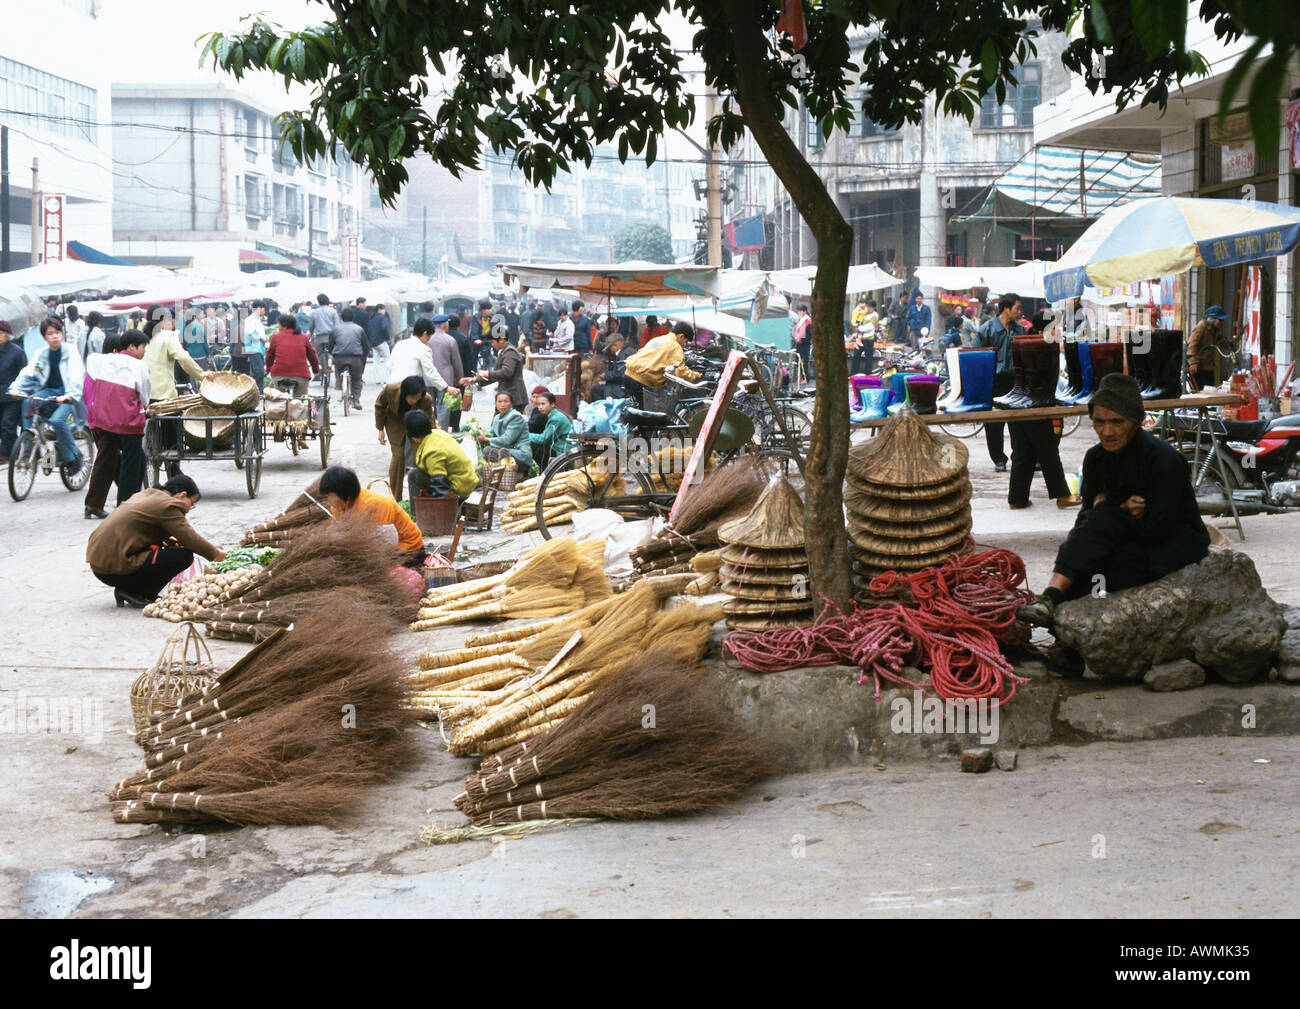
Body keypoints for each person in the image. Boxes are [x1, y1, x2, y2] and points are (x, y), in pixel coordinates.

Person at [1019, 373, 1210, 630]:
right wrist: (1121, 510)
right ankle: (1053, 608)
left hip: (1169, 545)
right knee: (1084, 559)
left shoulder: (1164, 461)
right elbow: (1086, 520)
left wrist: (1108, 509)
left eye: (1117, 422)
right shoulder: (1095, 459)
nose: (1107, 432)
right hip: (1118, 536)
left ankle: (1052, 600)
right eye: (1099, 422)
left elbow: (1155, 529)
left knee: (1091, 576)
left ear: (1135, 422)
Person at [86, 473, 225, 608]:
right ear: (182, 495)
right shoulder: (169, 505)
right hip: (112, 567)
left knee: (168, 551)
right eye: (192, 503)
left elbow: (140, 529)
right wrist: (216, 555)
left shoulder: (148, 494)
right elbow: (190, 538)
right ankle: (137, 592)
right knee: (183, 556)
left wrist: (163, 541)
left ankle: (129, 589)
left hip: (100, 564)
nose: (189, 509)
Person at [1007, 310, 1080, 512]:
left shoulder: (1024, 343)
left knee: (1023, 451)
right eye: (1055, 327)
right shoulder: (1040, 348)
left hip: (1018, 403)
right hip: (1035, 405)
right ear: (1042, 330)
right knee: (1047, 449)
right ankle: (1063, 495)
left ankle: (1017, 497)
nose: (1059, 331)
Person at [82, 328, 151, 517]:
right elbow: (145, 397)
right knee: (132, 460)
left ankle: (93, 504)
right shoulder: (140, 367)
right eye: (143, 347)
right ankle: (125, 507)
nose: (144, 351)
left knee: (104, 459)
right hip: (128, 423)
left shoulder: (103, 360)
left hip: (104, 421)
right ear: (132, 347)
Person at [7, 316, 87, 474]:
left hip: (68, 393)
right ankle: (28, 446)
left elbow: (76, 375)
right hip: (49, 391)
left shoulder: (70, 351)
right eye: (50, 334)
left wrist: (69, 395)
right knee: (27, 402)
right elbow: (30, 372)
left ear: (62, 334)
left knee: (57, 421)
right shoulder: (41, 354)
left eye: (57, 332)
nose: (55, 336)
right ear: (44, 337)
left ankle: (74, 457)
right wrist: (16, 388)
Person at [319, 463, 425, 559]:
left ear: (343, 493)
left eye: (329, 495)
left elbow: (385, 544)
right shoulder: (337, 508)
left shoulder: (377, 504)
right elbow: (338, 534)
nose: (328, 500)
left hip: (408, 550)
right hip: (374, 550)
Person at [973, 292, 1022, 472]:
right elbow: (976, 357)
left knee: (1017, 422)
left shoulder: (1019, 330)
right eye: (1017, 308)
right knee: (993, 424)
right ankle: (998, 458)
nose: (1019, 312)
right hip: (994, 382)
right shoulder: (986, 330)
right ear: (1006, 309)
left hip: (1014, 381)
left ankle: (1018, 455)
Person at [374, 374, 433, 501]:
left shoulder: (426, 399)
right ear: (404, 392)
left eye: (417, 398)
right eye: (412, 398)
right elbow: (379, 406)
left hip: (416, 425)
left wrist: (436, 436)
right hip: (395, 423)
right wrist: (380, 429)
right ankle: (396, 498)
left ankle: (421, 497)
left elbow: (430, 420)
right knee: (398, 457)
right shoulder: (391, 389)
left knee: (420, 457)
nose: (414, 401)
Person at [623, 321, 703, 406]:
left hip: (628, 374)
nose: (684, 345)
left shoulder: (658, 339)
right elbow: (679, 371)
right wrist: (697, 375)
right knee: (649, 415)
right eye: (685, 341)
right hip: (640, 381)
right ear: (681, 336)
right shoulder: (675, 347)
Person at [142, 305, 211, 402]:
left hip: (142, 394)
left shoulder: (140, 337)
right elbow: (183, 358)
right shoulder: (169, 336)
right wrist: (201, 374)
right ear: (163, 319)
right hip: (163, 395)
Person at [406, 409, 479, 499]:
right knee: (419, 472)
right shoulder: (438, 433)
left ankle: (416, 512)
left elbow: (439, 482)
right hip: (467, 481)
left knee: (413, 475)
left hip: (459, 488)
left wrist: (444, 507)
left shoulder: (431, 451)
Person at [389, 318, 450, 407]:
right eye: (429, 337)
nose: (429, 340)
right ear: (425, 334)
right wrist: (446, 387)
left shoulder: (399, 344)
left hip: (391, 387)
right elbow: (430, 372)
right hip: (410, 391)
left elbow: (390, 366)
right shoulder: (424, 349)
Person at [428, 314, 468, 430]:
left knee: (429, 405)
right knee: (443, 407)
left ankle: (431, 430)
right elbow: (456, 362)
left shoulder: (427, 339)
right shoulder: (450, 340)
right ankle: (442, 432)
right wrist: (459, 378)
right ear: (445, 325)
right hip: (445, 379)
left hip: (429, 379)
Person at [265, 314, 321, 395]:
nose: (278, 327)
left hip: (279, 375)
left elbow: (269, 356)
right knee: (300, 400)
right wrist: (315, 370)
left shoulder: (276, 337)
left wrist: (268, 369)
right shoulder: (303, 337)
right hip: (301, 375)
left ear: (284, 326)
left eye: (279, 324)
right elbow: (312, 355)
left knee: (280, 399)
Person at [476, 325, 528, 412]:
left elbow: (506, 372)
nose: (492, 345)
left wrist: (487, 373)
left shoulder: (510, 352)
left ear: (501, 340)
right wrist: (476, 380)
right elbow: (497, 375)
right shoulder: (504, 351)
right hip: (506, 396)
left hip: (514, 397)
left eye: (493, 342)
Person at [478, 390, 532, 471]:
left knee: (488, 451)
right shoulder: (497, 417)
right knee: (482, 465)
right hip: (506, 452)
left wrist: (486, 439)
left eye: (505, 401)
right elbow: (490, 433)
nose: (502, 405)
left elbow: (507, 439)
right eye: (499, 402)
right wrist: (479, 432)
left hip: (519, 455)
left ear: (511, 404)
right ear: (495, 404)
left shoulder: (515, 417)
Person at [330, 306, 370, 410]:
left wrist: (332, 354)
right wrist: (364, 356)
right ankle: (356, 400)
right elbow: (366, 346)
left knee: (338, 368)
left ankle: (339, 382)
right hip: (355, 358)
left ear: (341, 317)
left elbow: (330, 345)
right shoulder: (359, 329)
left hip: (339, 357)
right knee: (357, 379)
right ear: (353, 317)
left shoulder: (335, 329)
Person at [0, 321, 28, 464]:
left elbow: (25, 373)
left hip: (12, 397)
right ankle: (10, 449)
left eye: (0, 333)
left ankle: (6, 454)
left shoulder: (17, 352)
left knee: (8, 424)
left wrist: (20, 391)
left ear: (8, 335)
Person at [1185, 305, 1231, 391]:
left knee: (1210, 390)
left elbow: (1219, 340)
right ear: (1212, 319)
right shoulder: (1201, 327)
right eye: (1219, 320)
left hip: (1208, 365)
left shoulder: (1214, 329)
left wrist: (1230, 346)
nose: (1221, 322)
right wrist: (1192, 362)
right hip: (1199, 366)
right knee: (1201, 391)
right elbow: (1191, 345)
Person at [528, 389, 573, 470]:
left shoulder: (556, 418)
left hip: (561, 451)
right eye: (538, 404)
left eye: (543, 404)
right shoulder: (552, 415)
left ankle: (545, 471)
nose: (540, 407)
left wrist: (526, 435)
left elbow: (544, 439)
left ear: (552, 404)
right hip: (558, 448)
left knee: (531, 444)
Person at [242, 300, 269, 388]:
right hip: (254, 349)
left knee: (258, 371)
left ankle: (257, 390)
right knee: (259, 371)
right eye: (263, 309)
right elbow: (248, 334)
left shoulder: (257, 320)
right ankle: (252, 388)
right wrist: (262, 338)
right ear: (258, 308)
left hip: (258, 349)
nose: (264, 312)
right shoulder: (250, 320)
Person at [308, 293, 341, 361]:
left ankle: (318, 369)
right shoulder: (333, 311)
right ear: (327, 301)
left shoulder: (314, 313)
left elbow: (311, 327)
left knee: (318, 354)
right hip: (331, 337)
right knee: (334, 353)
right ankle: (332, 364)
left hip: (319, 337)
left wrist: (310, 334)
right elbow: (337, 326)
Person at [368, 303, 392, 386]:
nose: (384, 311)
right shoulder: (382, 318)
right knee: (387, 359)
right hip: (381, 341)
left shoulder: (372, 318)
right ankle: (386, 379)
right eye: (384, 309)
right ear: (380, 310)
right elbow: (384, 327)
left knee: (376, 361)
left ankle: (377, 379)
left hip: (373, 343)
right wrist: (388, 338)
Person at [791, 303, 812, 387]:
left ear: (804, 312)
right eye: (798, 311)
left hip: (805, 343)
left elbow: (809, 333)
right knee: (798, 361)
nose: (799, 313)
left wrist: (804, 340)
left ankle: (806, 378)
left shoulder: (808, 320)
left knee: (805, 361)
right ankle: (801, 377)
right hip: (799, 343)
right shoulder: (801, 320)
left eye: (800, 311)